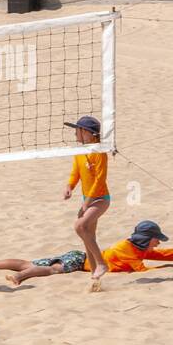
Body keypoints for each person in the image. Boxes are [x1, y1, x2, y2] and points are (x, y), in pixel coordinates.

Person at [0, 221, 173, 286]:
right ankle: (19, 277)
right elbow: (141, 270)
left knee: (26, 262)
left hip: (77, 256)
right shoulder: (126, 249)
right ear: (147, 239)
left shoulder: (137, 248)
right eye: (157, 239)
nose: (158, 244)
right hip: (80, 261)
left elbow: (170, 254)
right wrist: (168, 268)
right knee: (52, 269)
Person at [64, 115, 110, 284]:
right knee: (88, 235)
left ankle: (101, 264)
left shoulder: (99, 152)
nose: (75, 134)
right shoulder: (80, 152)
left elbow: (99, 180)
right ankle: (95, 278)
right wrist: (69, 186)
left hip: (100, 199)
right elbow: (76, 171)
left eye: (77, 130)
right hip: (88, 199)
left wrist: (87, 202)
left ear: (87, 133)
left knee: (79, 226)